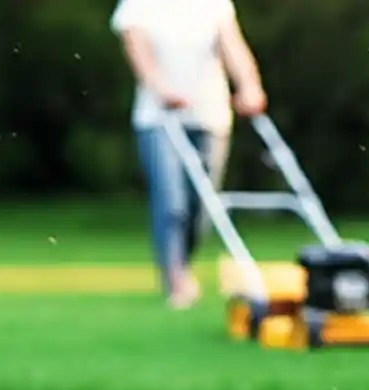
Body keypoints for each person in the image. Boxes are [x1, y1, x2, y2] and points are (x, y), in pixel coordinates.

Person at [111, 0, 268, 309]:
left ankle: (183, 264)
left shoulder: (214, 5)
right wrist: (161, 89)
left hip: (210, 116)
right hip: (159, 118)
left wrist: (250, 86)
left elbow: (233, 48)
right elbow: (137, 50)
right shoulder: (138, 6)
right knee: (171, 202)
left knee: (202, 206)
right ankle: (176, 279)